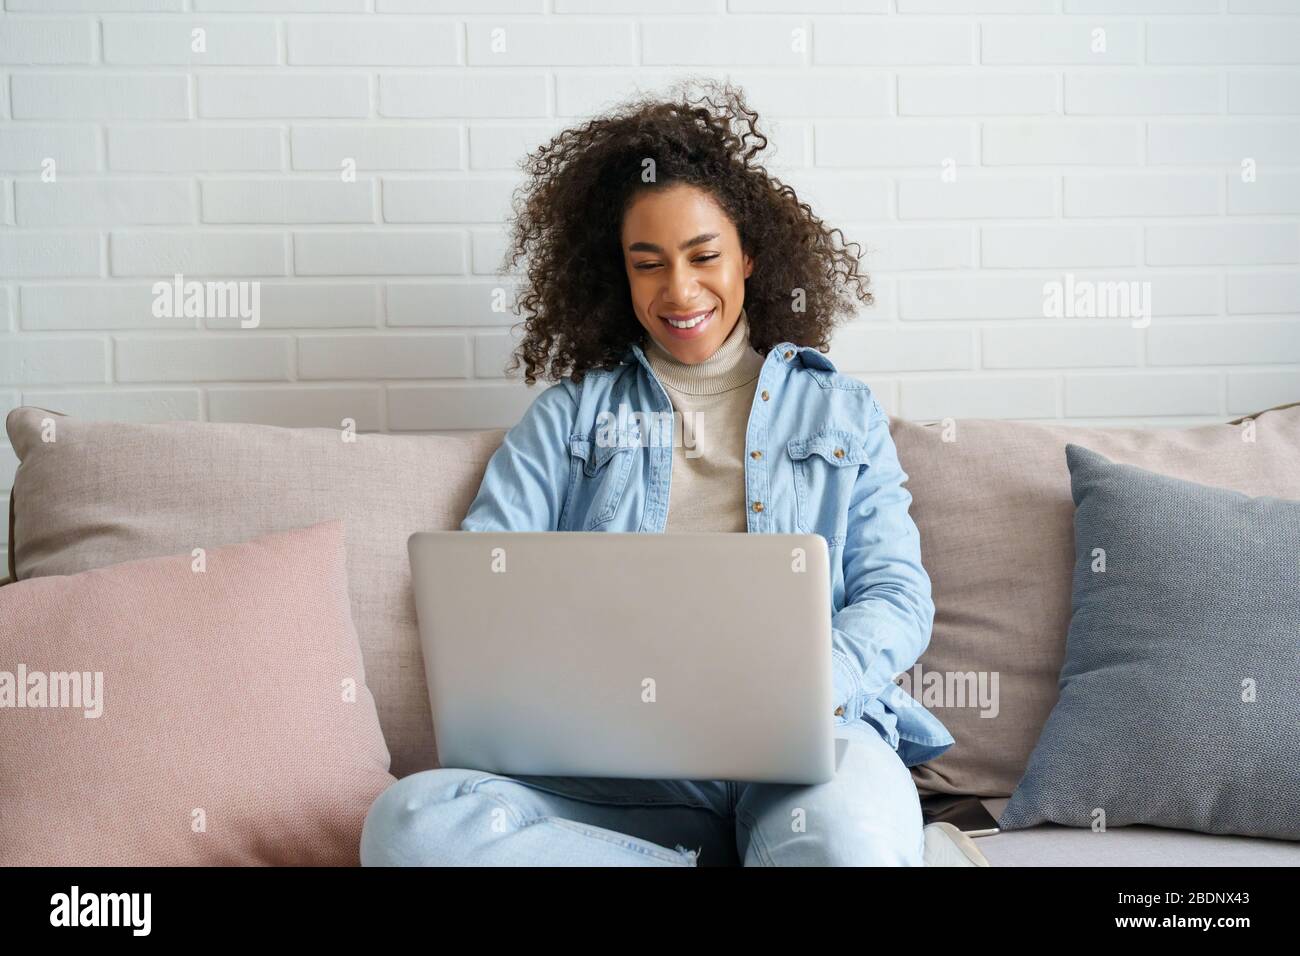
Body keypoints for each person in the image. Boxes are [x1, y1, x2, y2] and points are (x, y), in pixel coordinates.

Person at [361, 79, 954, 866]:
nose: (679, 291)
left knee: (848, 844)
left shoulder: (841, 413)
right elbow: (487, 578)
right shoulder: (567, 419)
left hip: (810, 751)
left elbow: (897, 595)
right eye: (649, 265)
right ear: (620, 275)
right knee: (412, 824)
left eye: (704, 256)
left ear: (748, 255)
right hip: (609, 771)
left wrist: (810, 686)